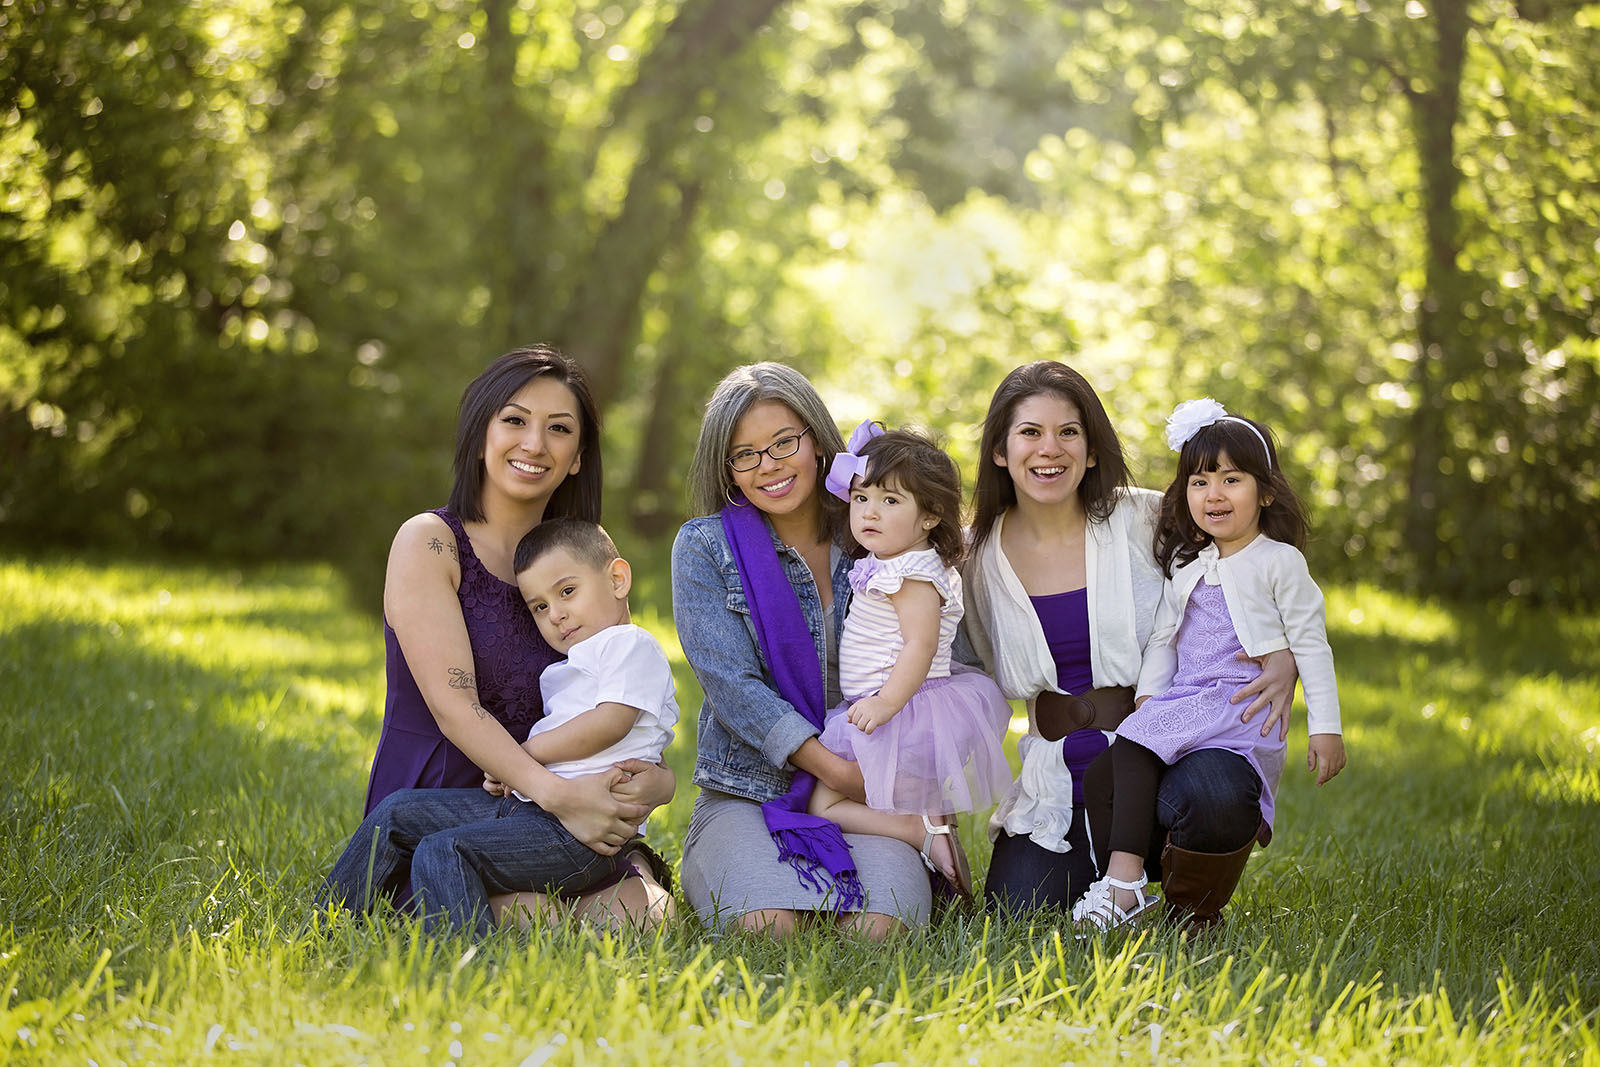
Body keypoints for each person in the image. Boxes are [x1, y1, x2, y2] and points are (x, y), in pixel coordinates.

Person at [339, 345, 672, 927]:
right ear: (480, 432)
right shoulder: (431, 542)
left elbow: (619, 696)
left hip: (564, 812)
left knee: (650, 915)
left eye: (558, 429)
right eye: (515, 420)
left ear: (577, 457)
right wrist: (558, 795)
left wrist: (657, 784)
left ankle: (568, 899)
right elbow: (456, 711)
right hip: (451, 796)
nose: (534, 444)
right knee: (514, 908)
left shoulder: (579, 554)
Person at [961, 361, 1298, 919]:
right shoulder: (974, 558)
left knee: (1216, 791)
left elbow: (1253, 554)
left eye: (1069, 432)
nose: (1051, 449)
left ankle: (1188, 912)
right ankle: (1108, 880)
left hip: (1172, 756)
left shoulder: (1149, 518)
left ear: (1092, 450)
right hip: (1058, 783)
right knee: (1017, 914)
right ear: (1000, 450)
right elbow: (946, 667)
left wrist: (1282, 647)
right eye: (1030, 432)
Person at [672, 363, 933, 939]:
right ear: (727, 469)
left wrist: (897, 780)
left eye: (783, 442)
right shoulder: (703, 547)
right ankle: (722, 861)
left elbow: (932, 653)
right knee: (769, 928)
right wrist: (836, 770)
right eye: (745, 455)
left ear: (816, 440)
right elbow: (734, 688)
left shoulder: (876, 529)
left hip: (866, 793)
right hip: (747, 789)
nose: (768, 466)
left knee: (878, 931)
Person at [324, 517, 677, 934]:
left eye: (567, 592)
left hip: (580, 833)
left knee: (443, 850)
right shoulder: (579, 659)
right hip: (536, 810)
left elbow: (611, 722)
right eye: (540, 607)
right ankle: (322, 923)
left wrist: (521, 757)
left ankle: (463, 960)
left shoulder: (631, 645)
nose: (557, 615)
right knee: (397, 812)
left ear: (617, 579)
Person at [1074, 399, 1346, 931]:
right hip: (1189, 700)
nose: (1214, 494)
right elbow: (1164, 640)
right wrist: (1149, 698)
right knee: (1108, 770)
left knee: (1131, 745)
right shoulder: (1190, 566)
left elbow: (1312, 643)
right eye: (1199, 482)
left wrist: (1327, 729)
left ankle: (1124, 886)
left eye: (1232, 479)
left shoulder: (1278, 561)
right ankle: (1142, 884)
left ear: (1264, 492)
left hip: (1239, 707)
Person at [807, 422, 1013, 898]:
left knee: (824, 803)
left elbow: (919, 646)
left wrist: (885, 705)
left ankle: (922, 833)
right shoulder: (893, 562)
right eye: (861, 498)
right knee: (850, 798)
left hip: (905, 710)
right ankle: (935, 841)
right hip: (897, 706)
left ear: (929, 517)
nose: (869, 512)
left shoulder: (912, 573)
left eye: (890, 501)